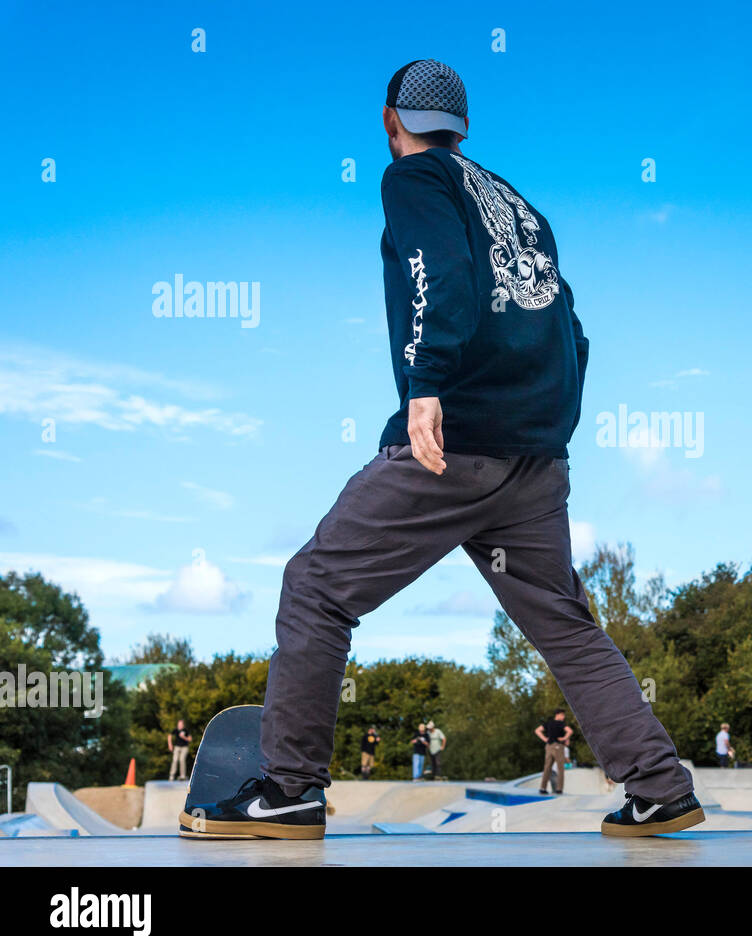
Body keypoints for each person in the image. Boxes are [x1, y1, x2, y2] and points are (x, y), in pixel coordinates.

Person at [182, 58, 702, 840]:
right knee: (565, 624)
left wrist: (426, 384)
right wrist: (552, 423)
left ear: (390, 120)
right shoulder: (522, 207)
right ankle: (660, 787)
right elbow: (573, 328)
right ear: (464, 126)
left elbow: (440, 273)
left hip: (450, 445)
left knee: (317, 586)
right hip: (535, 460)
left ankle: (288, 789)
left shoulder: (414, 180)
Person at [535, 708, 572, 795]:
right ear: (558, 715)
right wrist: (564, 738)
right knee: (560, 768)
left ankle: (542, 788)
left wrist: (545, 739)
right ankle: (559, 789)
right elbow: (569, 731)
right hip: (558, 746)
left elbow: (537, 731)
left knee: (547, 767)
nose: (564, 717)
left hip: (548, 746)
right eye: (563, 715)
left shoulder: (548, 723)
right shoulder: (560, 723)